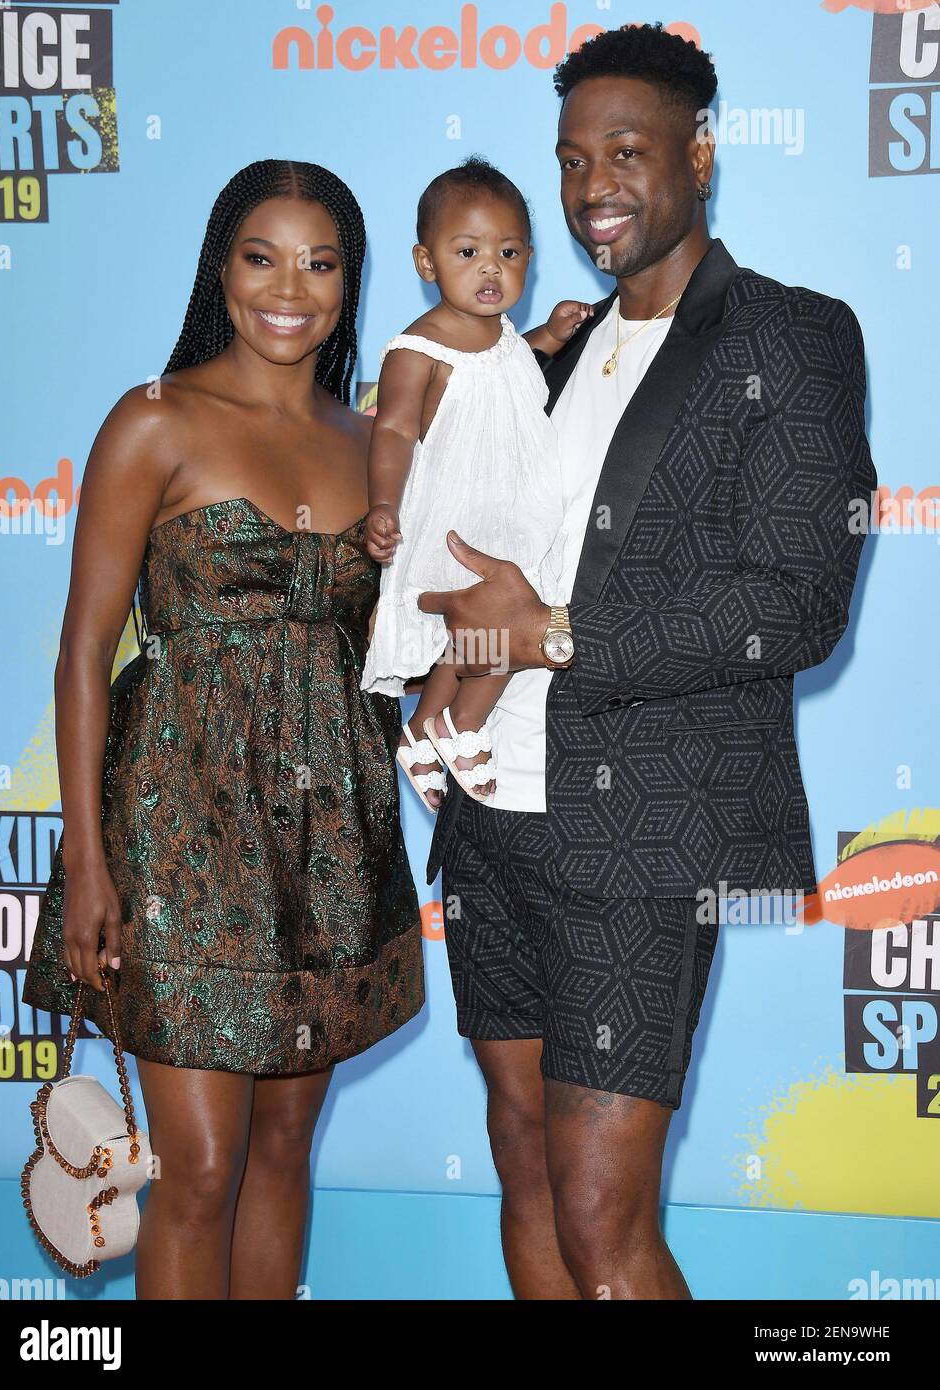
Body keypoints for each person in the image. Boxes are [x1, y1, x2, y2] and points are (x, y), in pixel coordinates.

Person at [419, 24, 875, 1299]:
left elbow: (796, 603)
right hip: (492, 823)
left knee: (600, 1220)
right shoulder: (549, 350)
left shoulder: (790, 335)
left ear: (700, 156)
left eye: (625, 152)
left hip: (642, 840)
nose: (592, 188)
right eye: (572, 161)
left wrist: (554, 634)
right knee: (524, 1172)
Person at [21, 159, 425, 1299]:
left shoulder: (371, 443)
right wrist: (87, 860)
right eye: (261, 258)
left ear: (348, 282)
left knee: (283, 1156)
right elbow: (84, 653)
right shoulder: (156, 419)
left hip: (330, 839)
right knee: (198, 1171)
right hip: (178, 838)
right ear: (220, 269)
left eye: (320, 263)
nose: (289, 289)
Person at [360, 156, 592, 810]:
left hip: (508, 506)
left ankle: (420, 730)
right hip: (457, 517)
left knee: (473, 634)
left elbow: (514, 368)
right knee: (496, 622)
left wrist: (550, 335)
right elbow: (393, 431)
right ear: (425, 262)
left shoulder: (503, 335)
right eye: (468, 252)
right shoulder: (418, 349)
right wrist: (383, 504)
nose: (491, 268)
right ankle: (462, 725)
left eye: (508, 253)